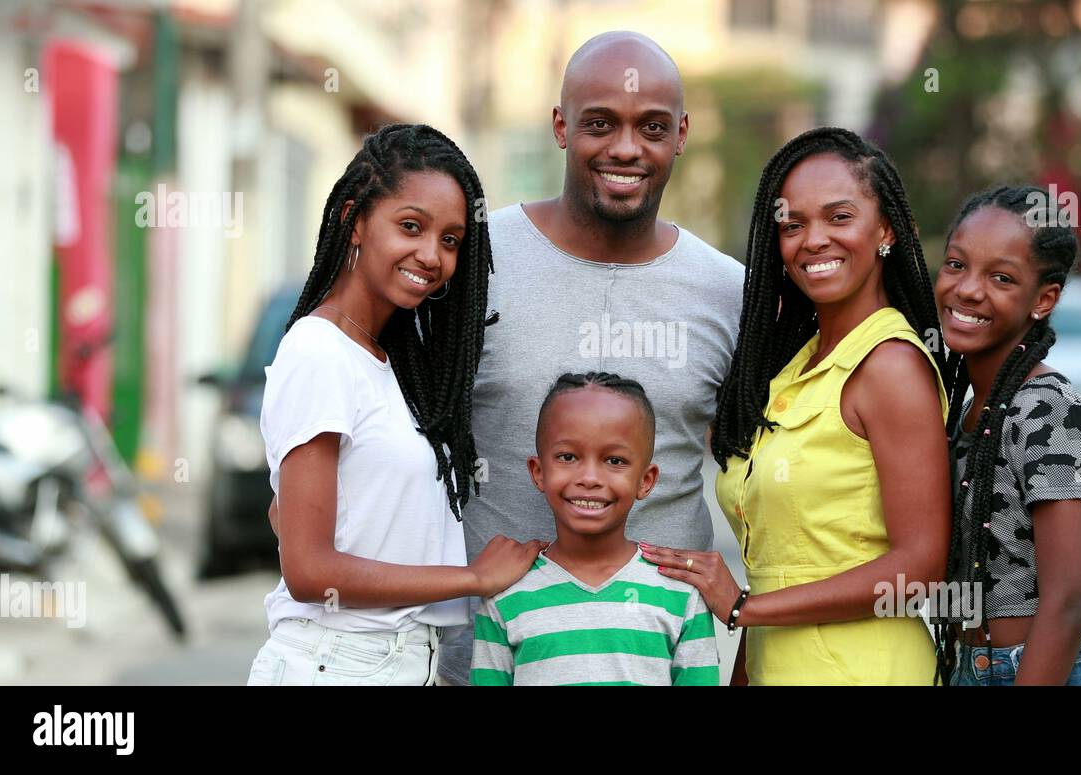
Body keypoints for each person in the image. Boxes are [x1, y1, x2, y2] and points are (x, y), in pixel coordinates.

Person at [437, 31, 745, 686]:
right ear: (560, 126)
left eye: (652, 127)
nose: (626, 148)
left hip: (661, 661)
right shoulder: (474, 264)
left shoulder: (728, 291)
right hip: (496, 657)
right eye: (600, 124)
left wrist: (752, 604)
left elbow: (769, 473)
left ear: (682, 134)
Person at [642, 127, 952, 685]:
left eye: (839, 217)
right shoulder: (794, 369)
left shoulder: (890, 366)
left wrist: (743, 608)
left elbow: (919, 570)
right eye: (793, 224)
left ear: (885, 230)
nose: (813, 240)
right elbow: (776, 570)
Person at [248, 124, 545, 686]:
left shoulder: (392, 363)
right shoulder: (320, 350)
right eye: (411, 226)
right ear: (355, 218)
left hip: (402, 662)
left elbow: (289, 516)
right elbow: (310, 572)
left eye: (451, 240)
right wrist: (472, 579)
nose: (431, 255)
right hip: (339, 663)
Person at [931, 184, 1081, 686]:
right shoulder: (963, 412)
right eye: (957, 264)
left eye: (1001, 277)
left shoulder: (1051, 412)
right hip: (973, 669)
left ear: (1044, 299)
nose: (969, 289)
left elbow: (1068, 601)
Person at [470, 373, 719, 685]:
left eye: (614, 460)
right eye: (568, 457)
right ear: (538, 472)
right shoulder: (506, 594)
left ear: (646, 480)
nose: (589, 477)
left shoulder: (681, 594)